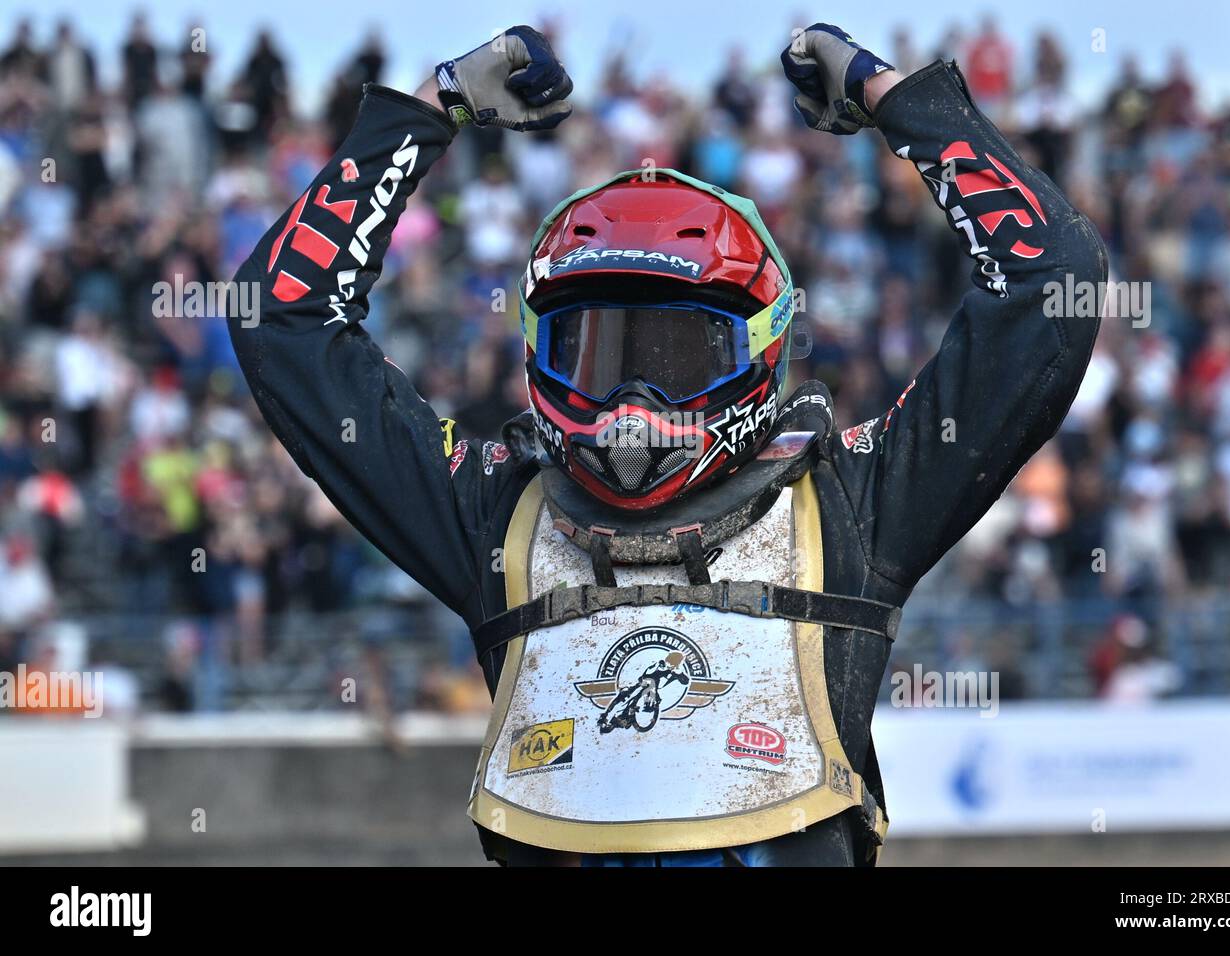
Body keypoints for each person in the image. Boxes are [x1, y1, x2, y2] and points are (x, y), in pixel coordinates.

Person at [229, 22, 1105, 866]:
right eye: (600, 351)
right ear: (538, 349)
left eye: (677, 354)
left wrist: (897, 98)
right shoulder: (498, 516)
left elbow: (1054, 284)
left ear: (762, 348)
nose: (633, 401)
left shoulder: (850, 506)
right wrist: (431, 105)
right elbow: (277, 318)